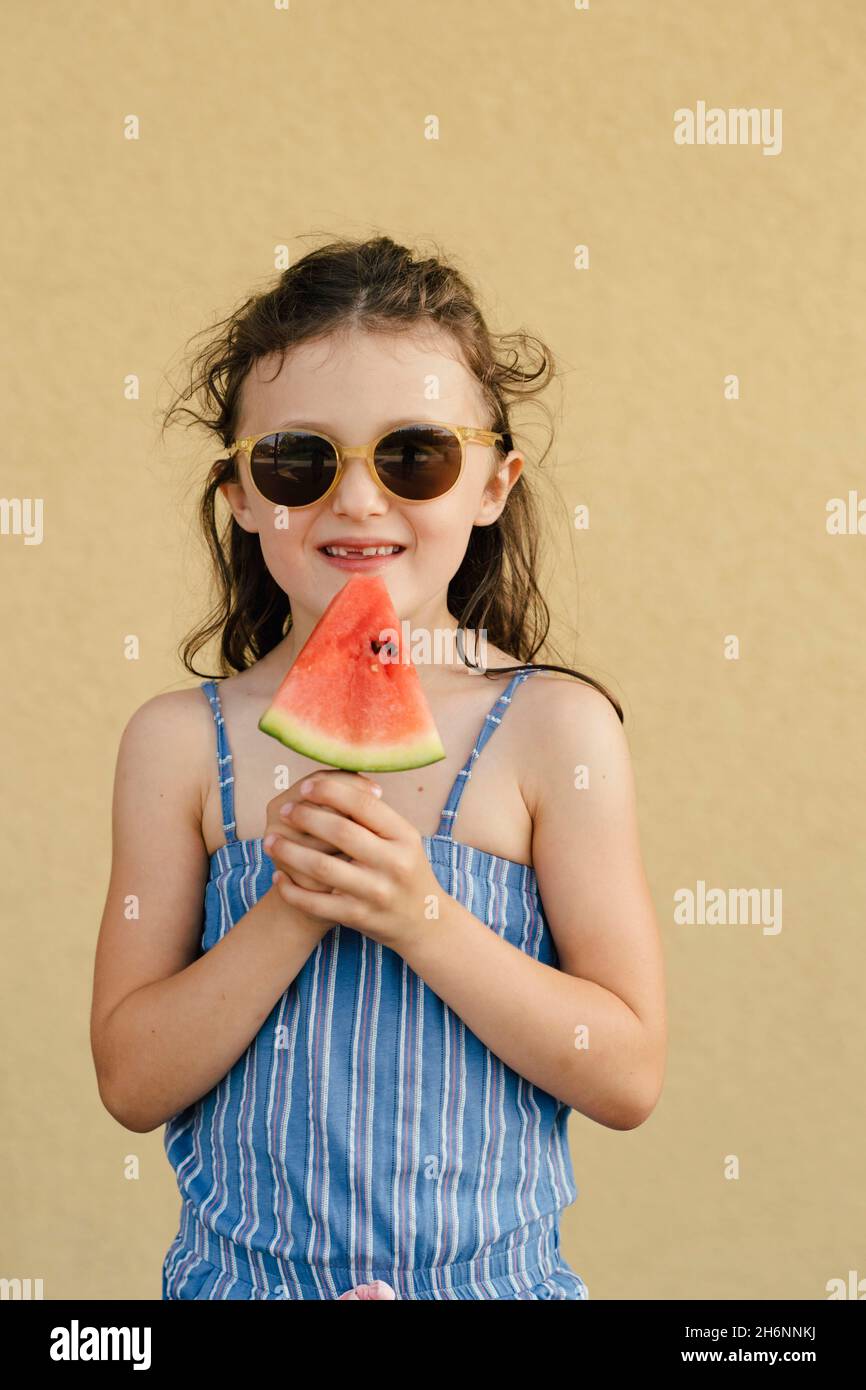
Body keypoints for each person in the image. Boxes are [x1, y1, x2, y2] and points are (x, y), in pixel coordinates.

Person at [90, 234, 666, 1300]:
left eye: (412, 456)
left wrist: (419, 916)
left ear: (492, 483)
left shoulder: (553, 730)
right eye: (300, 462)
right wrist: (291, 909)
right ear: (239, 495)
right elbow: (131, 1077)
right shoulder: (178, 743)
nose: (356, 501)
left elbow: (626, 1072)